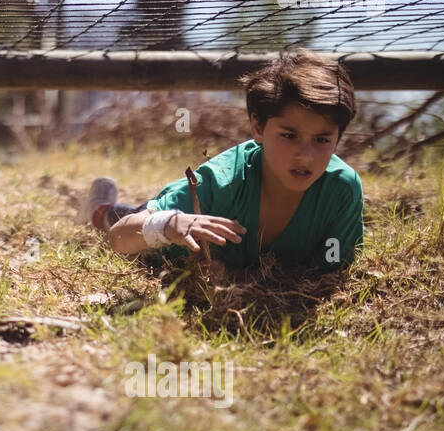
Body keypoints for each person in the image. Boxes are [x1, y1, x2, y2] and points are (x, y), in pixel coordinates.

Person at [79, 49, 363, 273]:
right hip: (161, 243)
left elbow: (332, 268)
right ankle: (100, 208)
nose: (306, 154)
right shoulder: (221, 182)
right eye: (289, 135)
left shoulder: (341, 190)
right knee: (120, 217)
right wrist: (168, 225)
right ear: (258, 127)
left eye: (322, 140)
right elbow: (120, 238)